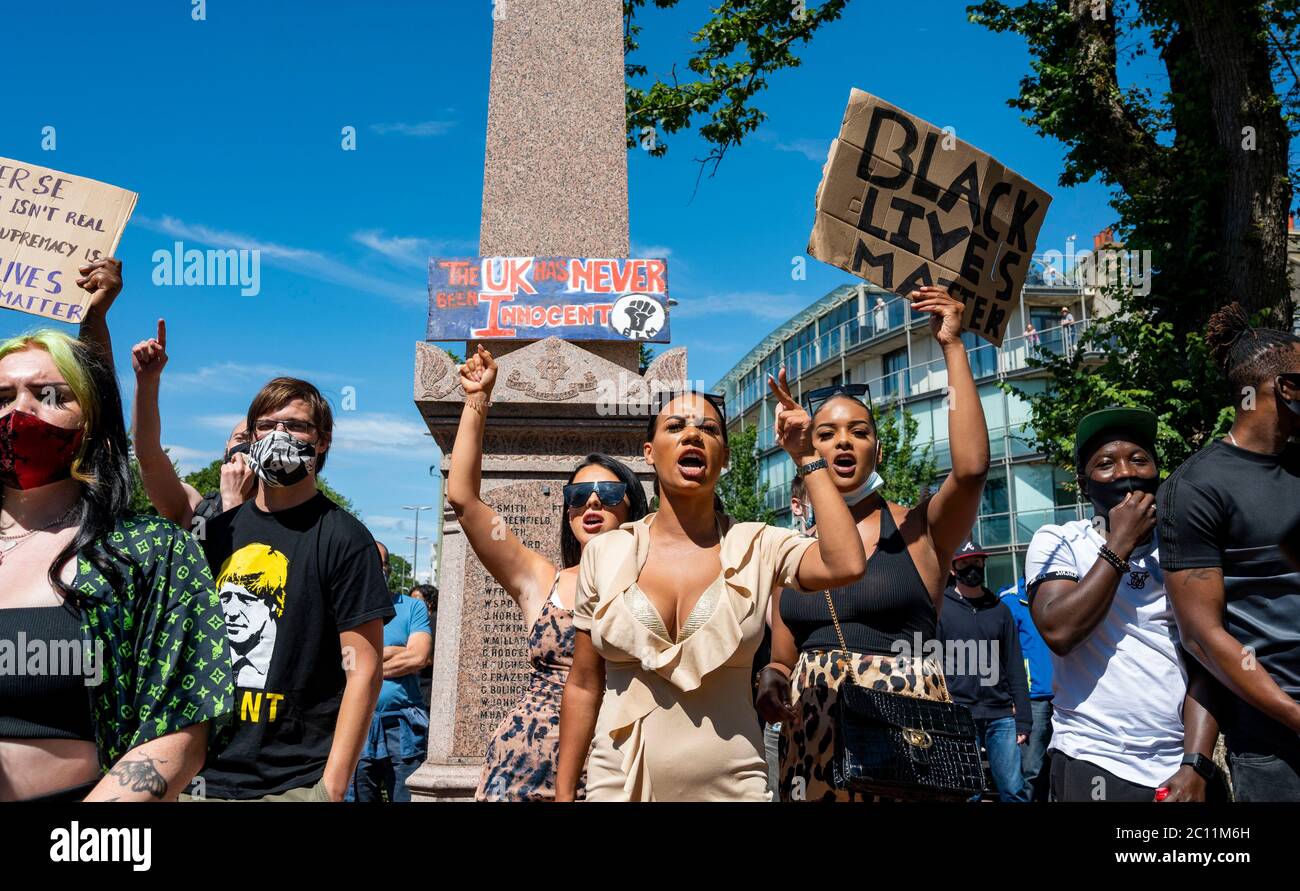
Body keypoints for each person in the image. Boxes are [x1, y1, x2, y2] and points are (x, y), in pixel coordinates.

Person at [555, 376, 867, 802]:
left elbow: (846, 562)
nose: (692, 435)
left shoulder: (761, 544)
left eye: (709, 429)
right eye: (676, 426)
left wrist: (808, 456)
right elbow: (584, 684)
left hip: (734, 785)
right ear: (649, 453)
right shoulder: (605, 553)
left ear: (725, 457)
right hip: (618, 783)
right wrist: (563, 791)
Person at [759, 286, 990, 802]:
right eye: (827, 434)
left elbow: (972, 469)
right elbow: (781, 659)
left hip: (906, 743)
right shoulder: (789, 553)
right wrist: (771, 683)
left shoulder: (921, 529)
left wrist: (952, 344)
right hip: (811, 745)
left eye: (858, 431)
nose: (843, 441)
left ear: (876, 449)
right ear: (805, 447)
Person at [0, 321, 234, 801]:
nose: (19, 410)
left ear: (92, 425)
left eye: (50, 395)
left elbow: (181, 726)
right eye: (1, 395)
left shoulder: (149, 551)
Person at [448, 345, 650, 802]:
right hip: (520, 768)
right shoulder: (544, 580)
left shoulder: (656, 578)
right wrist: (477, 401)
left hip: (613, 766)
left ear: (632, 505)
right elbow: (463, 499)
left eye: (606, 490)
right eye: (578, 495)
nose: (591, 502)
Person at [193, 377, 393, 801]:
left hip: (292, 785)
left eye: (296, 426)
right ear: (250, 438)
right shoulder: (216, 534)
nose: (279, 436)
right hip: (201, 779)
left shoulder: (345, 537)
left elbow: (365, 670)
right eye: (266, 426)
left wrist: (330, 789)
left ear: (322, 442)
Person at [1026, 406, 1218, 801]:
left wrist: (1195, 762)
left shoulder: (1185, 549)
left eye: (1138, 459)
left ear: (1157, 471)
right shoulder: (1059, 540)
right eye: (1106, 464)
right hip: (1092, 758)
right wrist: (1120, 544)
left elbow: (1208, 656)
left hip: (1178, 765)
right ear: (1084, 485)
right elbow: (1059, 631)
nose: (1126, 472)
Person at [1160, 304, 1300, 801]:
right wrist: (1293, 715)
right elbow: (1202, 636)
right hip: (1275, 741)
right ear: (1284, 389)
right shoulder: (1197, 488)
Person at [130, 318, 255, 530]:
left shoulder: (288, 520)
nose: (247, 448)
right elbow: (148, 455)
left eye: (256, 441)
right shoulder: (200, 511)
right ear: (227, 447)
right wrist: (147, 381)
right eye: (241, 439)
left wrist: (236, 500)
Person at [936, 539, 1031, 802]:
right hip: (959, 713)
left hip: (1001, 715)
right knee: (968, 793)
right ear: (953, 569)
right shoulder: (941, 609)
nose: (973, 568)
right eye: (965, 563)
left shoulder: (1000, 610)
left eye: (977, 562)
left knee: (1013, 790)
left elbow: (1014, 665)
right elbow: (931, 663)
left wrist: (1023, 716)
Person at [347, 541, 432, 802]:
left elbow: (418, 656)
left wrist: (366, 662)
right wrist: (394, 650)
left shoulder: (411, 607)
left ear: (389, 570)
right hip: (357, 723)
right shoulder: (344, 609)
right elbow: (337, 663)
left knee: (405, 796)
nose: (375, 569)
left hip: (403, 727)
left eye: (381, 563)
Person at [997, 576, 1055, 801]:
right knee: (1032, 769)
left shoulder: (1062, 591)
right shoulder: (1011, 601)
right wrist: (1012, 697)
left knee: (1057, 769)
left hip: (1065, 697)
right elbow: (1002, 653)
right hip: (1032, 699)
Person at [408, 583, 438, 710]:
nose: (411, 603)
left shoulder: (430, 622)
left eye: (416, 599)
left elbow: (428, 657)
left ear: (429, 603)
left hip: (425, 690)